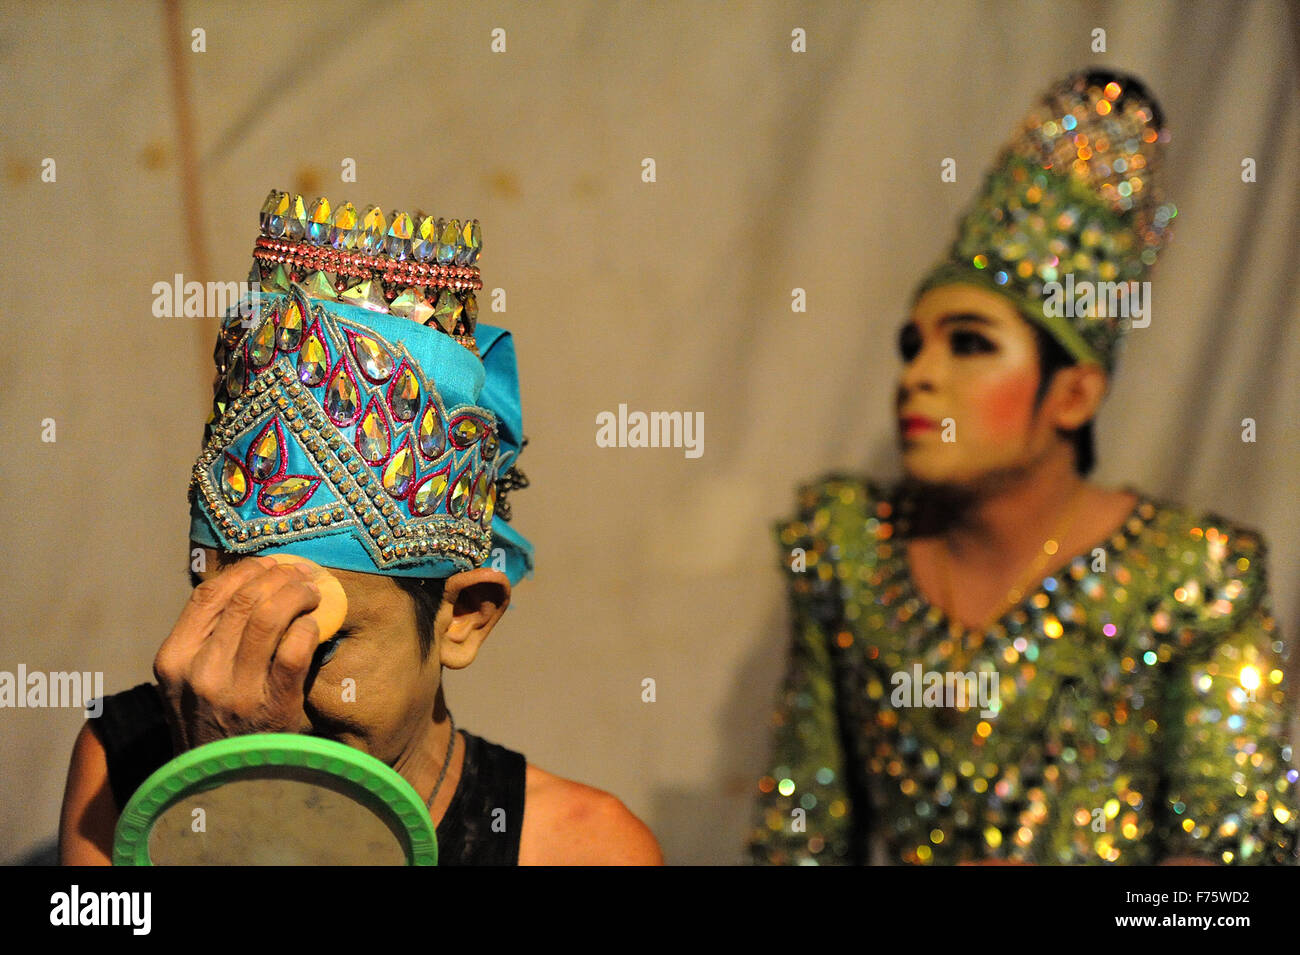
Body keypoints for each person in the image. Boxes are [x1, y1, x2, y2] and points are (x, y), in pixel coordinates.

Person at [749, 70, 1298, 865]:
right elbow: (796, 842)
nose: (919, 375)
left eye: (969, 343)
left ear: (1073, 393)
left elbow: (1228, 886)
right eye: (914, 346)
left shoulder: (1194, 579)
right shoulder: (848, 554)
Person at [59, 192, 662, 865]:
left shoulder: (581, 847)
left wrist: (254, 798)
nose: (251, 692)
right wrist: (223, 788)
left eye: (316, 642)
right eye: (227, 608)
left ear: (463, 617)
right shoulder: (124, 762)